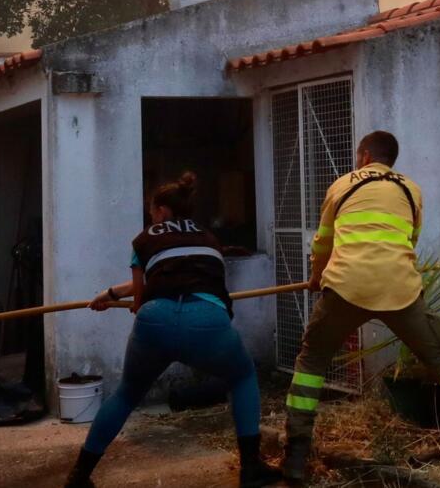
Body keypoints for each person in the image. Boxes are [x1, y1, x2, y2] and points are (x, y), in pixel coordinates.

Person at [282, 131, 440, 483]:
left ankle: (296, 457)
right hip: (400, 290)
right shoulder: (411, 189)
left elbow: (323, 241)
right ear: (391, 160)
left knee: (311, 361)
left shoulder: (342, 185)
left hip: (346, 287)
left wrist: (316, 278)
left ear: (363, 155)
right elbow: (410, 240)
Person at [64, 172, 280, 488]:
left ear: (162, 210)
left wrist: (115, 297)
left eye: (152, 210)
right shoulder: (209, 239)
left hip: (156, 321)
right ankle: (250, 468)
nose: (151, 216)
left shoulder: (145, 239)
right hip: (207, 321)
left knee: (127, 393)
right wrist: (111, 294)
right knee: (242, 376)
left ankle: (79, 477)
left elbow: (141, 298)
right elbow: (188, 276)